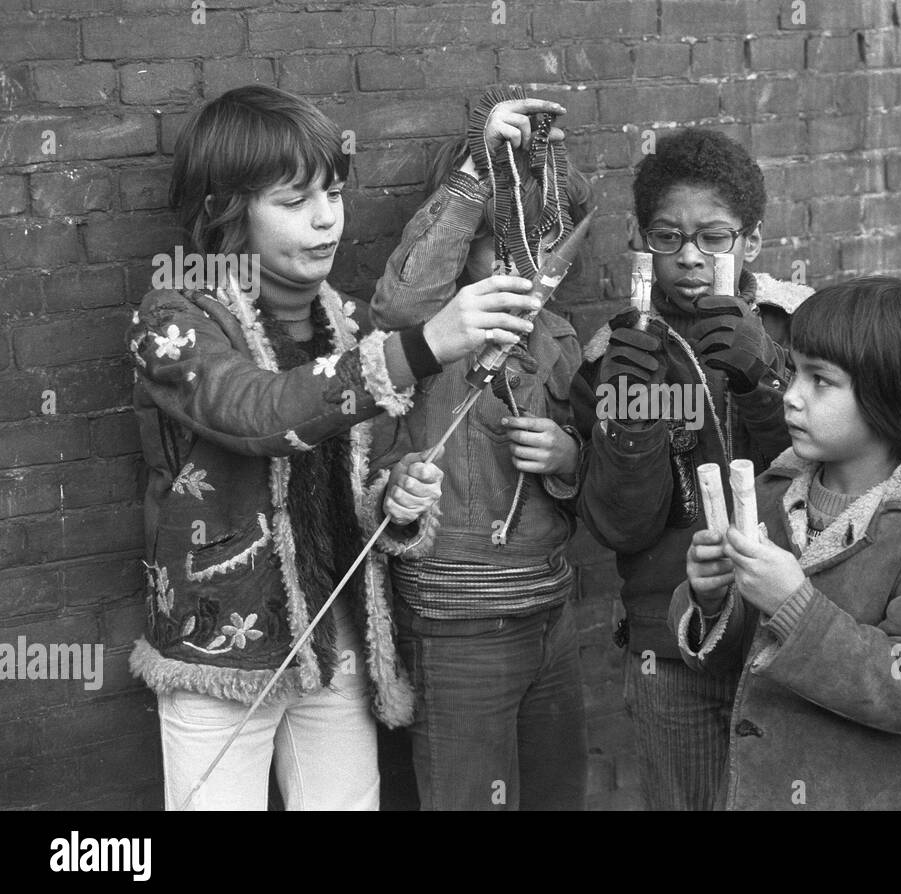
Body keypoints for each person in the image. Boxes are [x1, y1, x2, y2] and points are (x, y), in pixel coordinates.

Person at [127, 84, 537, 810]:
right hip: (218, 649)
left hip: (335, 640)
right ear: (225, 210)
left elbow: (371, 470)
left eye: (334, 194)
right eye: (293, 201)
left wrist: (400, 498)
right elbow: (257, 411)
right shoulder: (175, 318)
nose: (325, 220)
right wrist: (422, 344)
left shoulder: (348, 320)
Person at [671, 276, 901, 809]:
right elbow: (737, 656)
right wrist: (710, 599)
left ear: (895, 396)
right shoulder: (774, 495)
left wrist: (795, 605)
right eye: (794, 371)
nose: (790, 395)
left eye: (821, 380)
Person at [571, 127, 811, 810]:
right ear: (642, 245)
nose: (691, 258)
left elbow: (818, 482)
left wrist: (764, 378)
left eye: (714, 237)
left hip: (789, 630)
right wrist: (627, 419)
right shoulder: (614, 354)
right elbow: (622, 524)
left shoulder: (802, 331)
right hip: (671, 645)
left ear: (751, 242)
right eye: (668, 238)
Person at [366, 86, 591, 810]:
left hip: (549, 612)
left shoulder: (556, 336)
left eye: (543, 243)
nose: (525, 264)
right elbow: (398, 303)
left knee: (557, 793)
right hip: (458, 624)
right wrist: (477, 171)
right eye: (505, 243)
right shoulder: (432, 331)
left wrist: (566, 458)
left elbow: (589, 469)